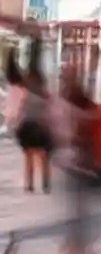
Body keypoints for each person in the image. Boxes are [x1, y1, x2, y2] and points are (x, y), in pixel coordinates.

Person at [53, 64, 99, 254]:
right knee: (78, 212)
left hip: (75, 161)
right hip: (79, 161)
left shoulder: (66, 102)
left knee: (77, 213)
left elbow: (63, 130)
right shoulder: (84, 103)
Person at [14, 55, 52, 194]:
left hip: (29, 127)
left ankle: (30, 184)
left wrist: (17, 123)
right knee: (43, 158)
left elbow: (21, 110)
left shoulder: (27, 94)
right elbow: (49, 111)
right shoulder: (45, 95)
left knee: (29, 157)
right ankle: (45, 184)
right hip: (40, 127)